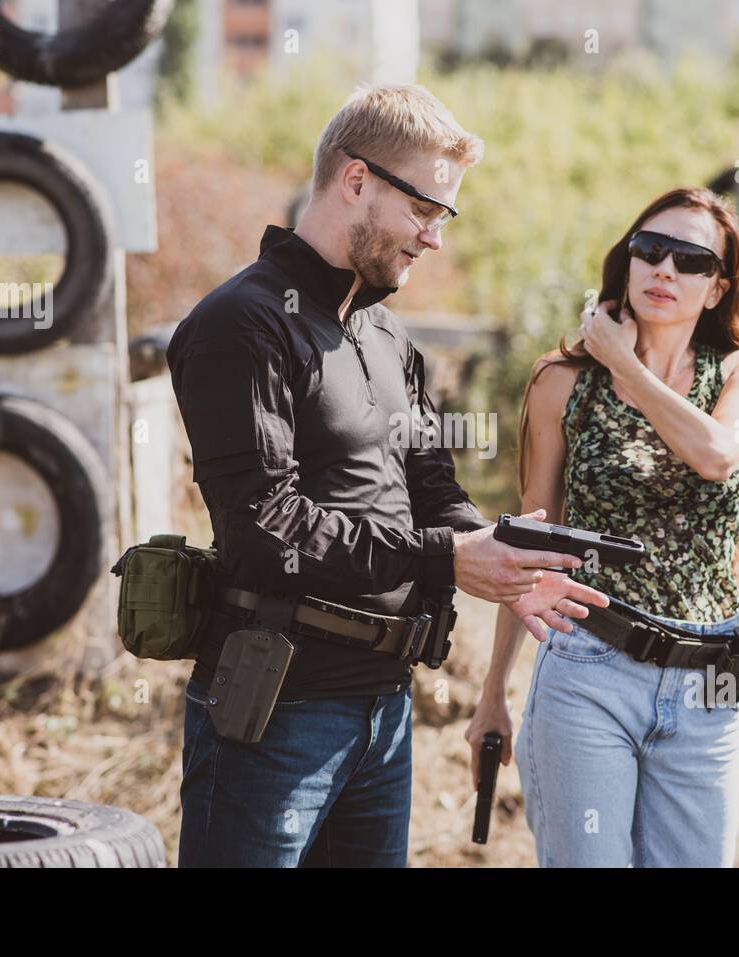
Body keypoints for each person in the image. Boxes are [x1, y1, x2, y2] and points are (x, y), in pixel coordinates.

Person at [165, 83, 610, 868]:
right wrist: (444, 557)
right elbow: (267, 526)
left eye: (445, 216)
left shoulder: (389, 337)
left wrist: (500, 549)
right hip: (273, 713)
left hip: (384, 705)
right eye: (426, 211)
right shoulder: (240, 323)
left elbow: (432, 486)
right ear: (357, 179)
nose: (434, 239)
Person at [466, 187, 739, 867]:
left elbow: (717, 453)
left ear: (718, 287)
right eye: (650, 249)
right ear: (627, 261)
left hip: (706, 682)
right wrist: (494, 692)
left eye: (691, 260)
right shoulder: (561, 380)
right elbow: (530, 539)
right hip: (586, 669)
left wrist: (623, 363)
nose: (665, 269)